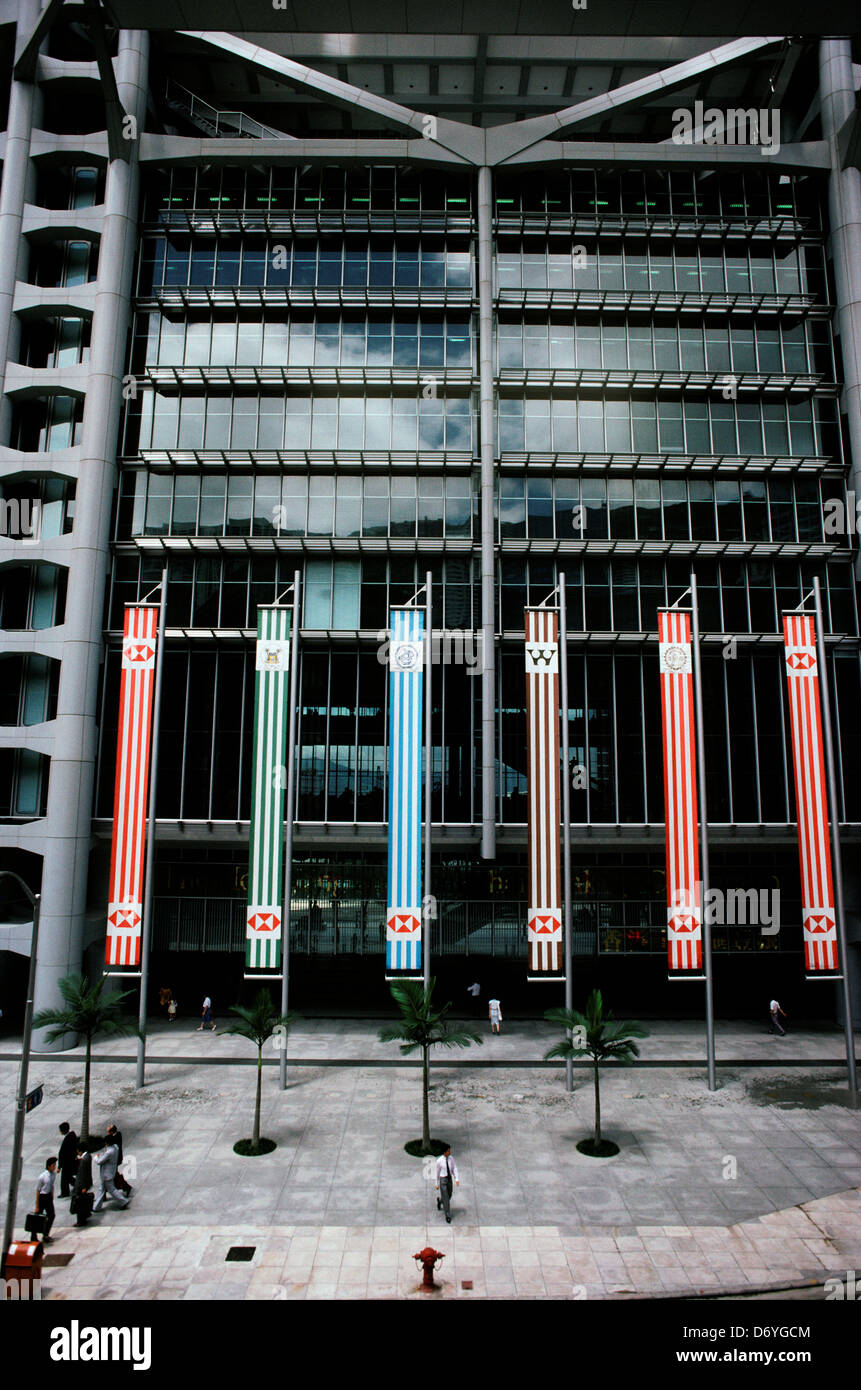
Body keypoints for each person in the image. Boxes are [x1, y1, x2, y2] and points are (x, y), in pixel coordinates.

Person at [92, 1141, 129, 1211]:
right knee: (101, 1190)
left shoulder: (109, 1152)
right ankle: (96, 1207)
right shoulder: (116, 1147)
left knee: (111, 1190)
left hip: (106, 1174)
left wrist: (96, 1157)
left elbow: (99, 1161)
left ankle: (123, 1201)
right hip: (111, 1172)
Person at [434, 1145, 460, 1224]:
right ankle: (447, 1215)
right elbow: (437, 1173)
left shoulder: (451, 1159)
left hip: (449, 1179)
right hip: (443, 1180)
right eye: (448, 1151)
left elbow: (454, 1168)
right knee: (446, 1199)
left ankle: (440, 1201)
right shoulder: (439, 1161)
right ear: (445, 1152)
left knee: (449, 1195)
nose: (450, 1152)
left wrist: (456, 1179)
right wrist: (436, 1183)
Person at [34, 1157, 57, 1241]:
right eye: (53, 1165)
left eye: (55, 1165)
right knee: (38, 1217)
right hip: (42, 1197)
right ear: (48, 1166)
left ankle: (45, 1234)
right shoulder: (42, 1177)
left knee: (51, 1215)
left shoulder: (53, 1174)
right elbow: (38, 1191)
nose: (54, 1167)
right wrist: (37, 1205)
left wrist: (52, 1195)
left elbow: (51, 1185)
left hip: (48, 1197)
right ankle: (34, 1236)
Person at [71, 1143, 94, 1227]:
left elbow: (83, 1173)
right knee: (83, 1201)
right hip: (85, 1183)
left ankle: (80, 1220)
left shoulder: (84, 1160)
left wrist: (83, 1186)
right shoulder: (88, 1156)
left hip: (81, 1184)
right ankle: (85, 1214)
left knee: (79, 1202)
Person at [106, 1123, 132, 1194]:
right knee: (113, 1174)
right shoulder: (117, 1134)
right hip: (115, 1159)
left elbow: (109, 1140)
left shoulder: (115, 1138)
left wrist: (109, 1134)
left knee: (114, 1175)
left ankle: (125, 1186)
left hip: (115, 1159)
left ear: (111, 1132)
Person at [57, 1122, 78, 1198]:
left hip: (67, 1162)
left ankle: (65, 1192)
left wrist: (59, 1166)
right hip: (70, 1161)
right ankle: (77, 1184)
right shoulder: (72, 1135)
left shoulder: (68, 1139)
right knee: (68, 1177)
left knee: (64, 1178)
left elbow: (62, 1153)